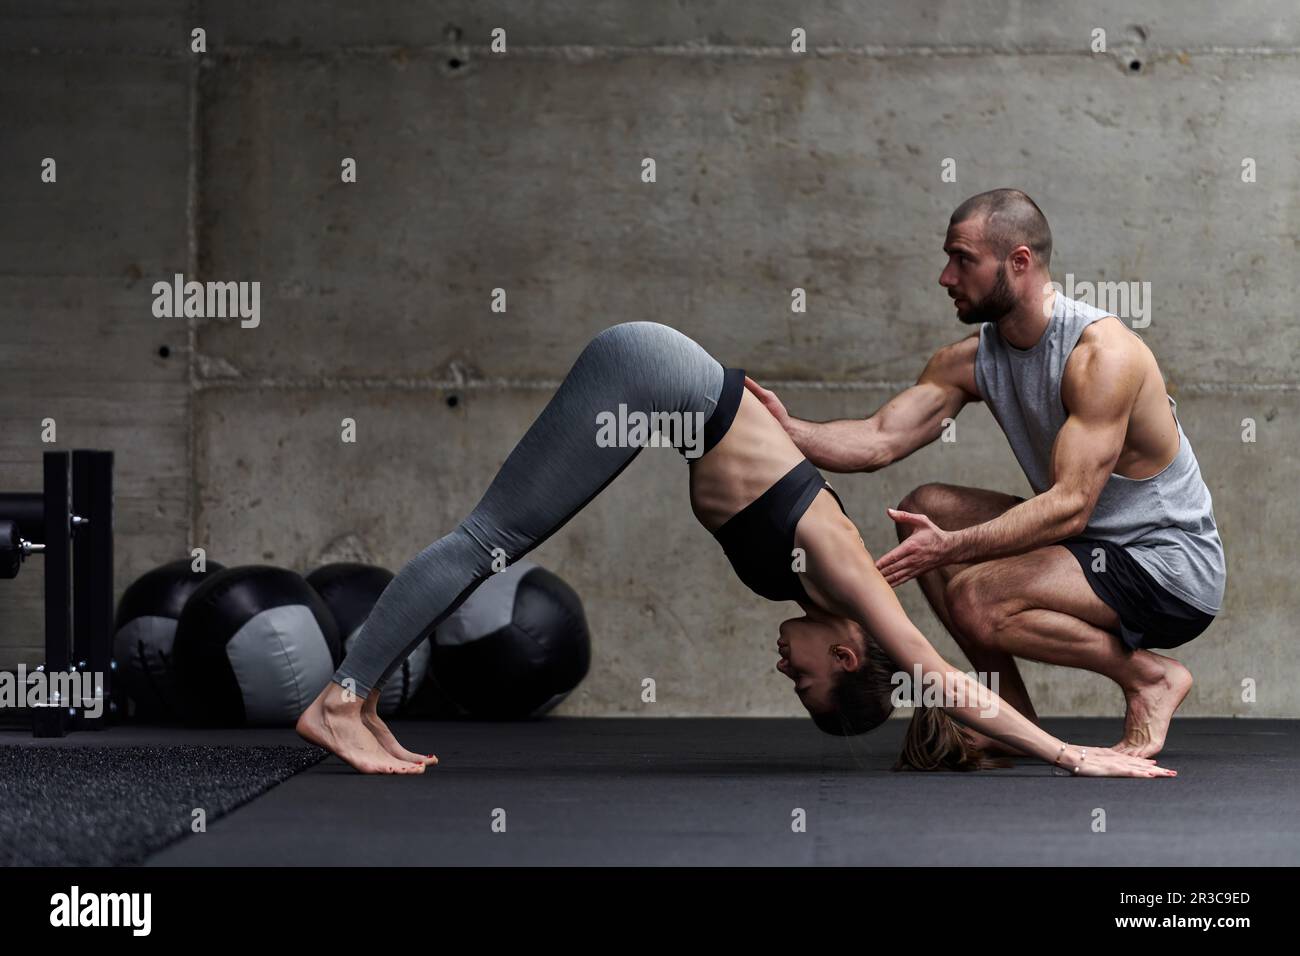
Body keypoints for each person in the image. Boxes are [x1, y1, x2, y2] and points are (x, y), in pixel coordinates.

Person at [295, 320, 1175, 779]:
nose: (781, 668)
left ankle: (361, 697)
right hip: (651, 377)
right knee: (491, 539)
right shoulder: (844, 575)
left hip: (673, 387)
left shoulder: (822, 585)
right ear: (845, 651)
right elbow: (937, 674)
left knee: (493, 539)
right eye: (805, 678)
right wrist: (1067, 752)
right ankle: (340, 700)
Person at [746, 188, 1225, 766]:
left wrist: (954, 548)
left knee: (974, 591)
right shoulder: (970, 360)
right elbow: (878, 440)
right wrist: (787, 429)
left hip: (1167, 566)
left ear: (1018, 262)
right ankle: (1009, 716)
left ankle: (1149, 677)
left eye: (962, 259)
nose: (946, 276)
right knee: (925, 506)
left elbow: (1071, 505)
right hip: (1089, 546)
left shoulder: (1100, 356)